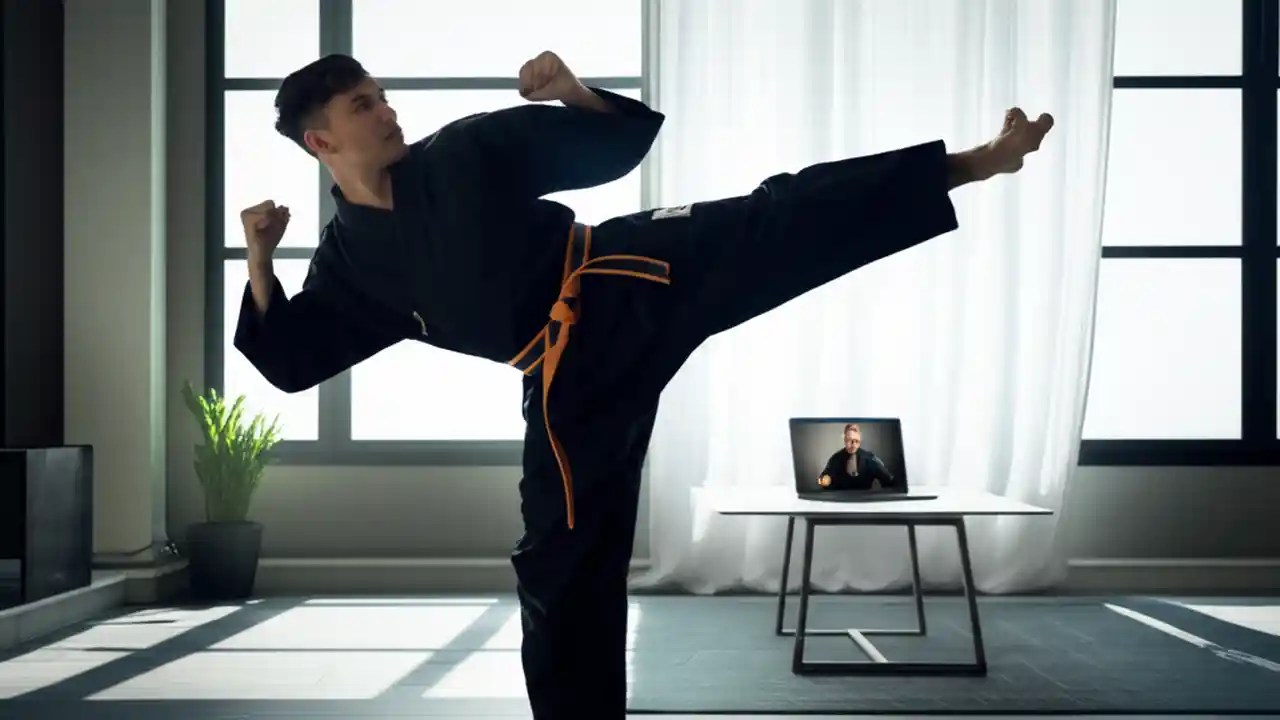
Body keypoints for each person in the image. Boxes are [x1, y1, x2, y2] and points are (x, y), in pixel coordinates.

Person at [234, 50, 1053, 718]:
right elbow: (292, 358)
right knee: (559, 557)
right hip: (566, 379)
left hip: (628, 274)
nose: (387, 111)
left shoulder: (462, 152)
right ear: (321, 141)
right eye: (364, 106)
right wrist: (263, 258)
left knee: (781, 214)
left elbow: (614, 144)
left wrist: (571, 91)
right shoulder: (350, 267)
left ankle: (979, 162)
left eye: (381, 95)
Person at [817, 422, 895, 490]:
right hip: (841, 501)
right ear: (844, 440)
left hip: (864, 501)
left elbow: (888, 479)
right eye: (850, 441)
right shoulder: (836, 458)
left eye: (856, 441)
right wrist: (824, 481)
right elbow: (821, 479)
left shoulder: (870, 458)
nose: (853, 445)